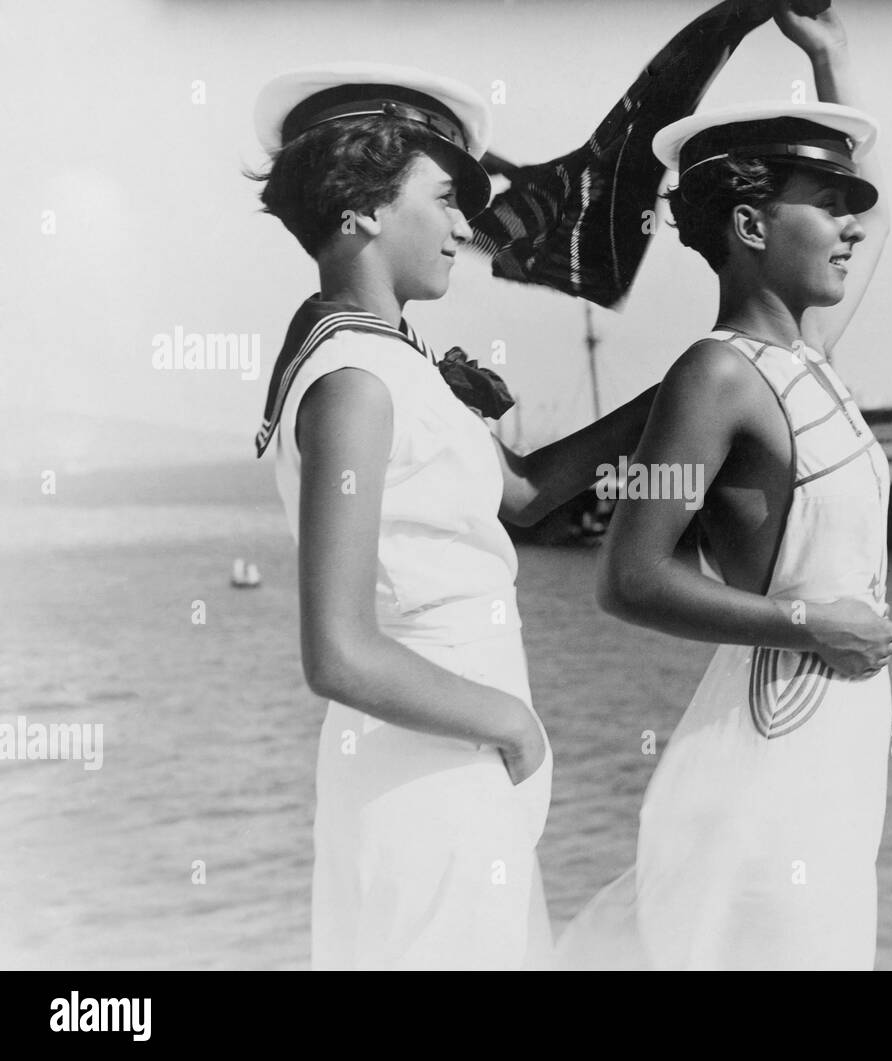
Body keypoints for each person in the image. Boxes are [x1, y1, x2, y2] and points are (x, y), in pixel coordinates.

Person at [249, 62, 656, 970]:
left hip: (453, 774)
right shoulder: (355, 383)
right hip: (427, 781)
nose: (467, 227)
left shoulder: (383, 359)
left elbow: (523, 493)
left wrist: (671, 395)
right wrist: (511, 722)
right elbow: (338, 650)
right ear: (362, 209)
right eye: (444, 199)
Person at [557, 1, 892, 970]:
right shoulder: (715, 375)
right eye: (824, 205)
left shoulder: (807, 357)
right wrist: (810, 624)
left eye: (849, 205)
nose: (849, 225)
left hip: (833, 756)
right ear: (750, 222)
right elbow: (626, 575)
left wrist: (829, 51)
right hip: (764, 761)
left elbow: (881, 212)